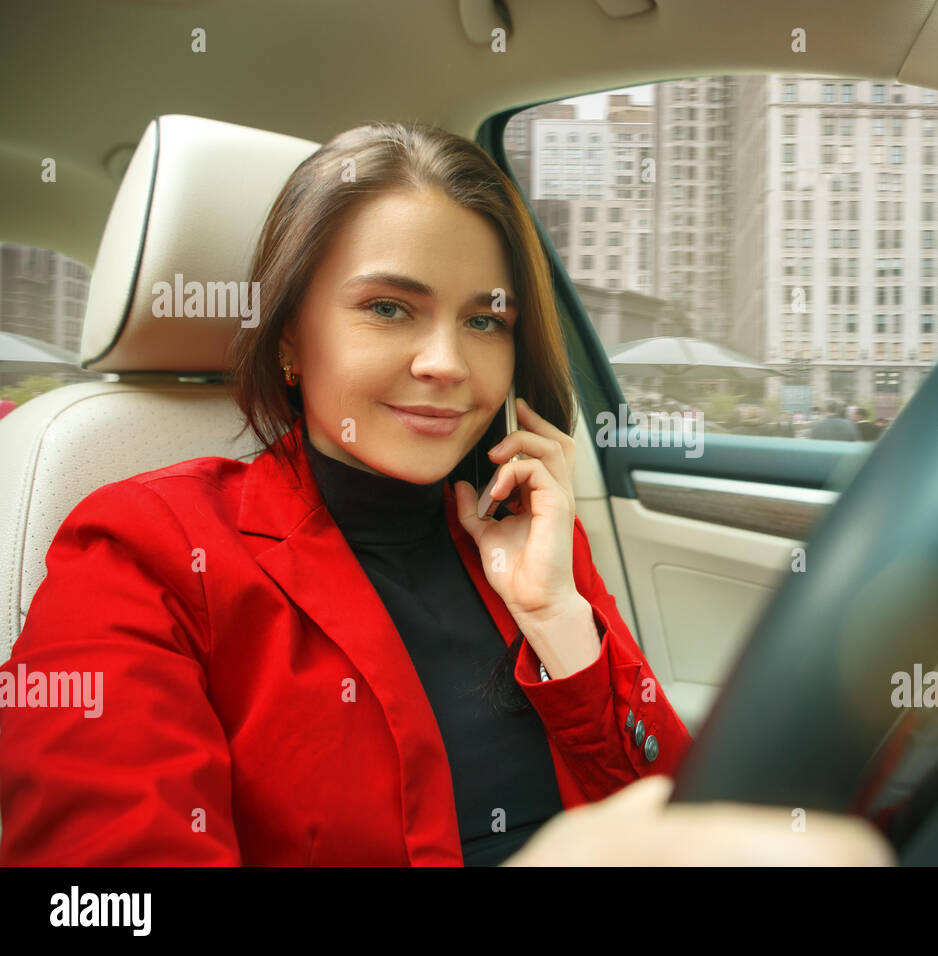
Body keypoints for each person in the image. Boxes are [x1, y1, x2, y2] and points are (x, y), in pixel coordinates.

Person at [0, 121, 892, 867]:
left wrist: (560, 623)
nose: (447, 364)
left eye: (485, 320)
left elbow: (683, 823)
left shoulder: (524, 535)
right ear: (286, 339)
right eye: (388, 308)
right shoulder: (144, 551)